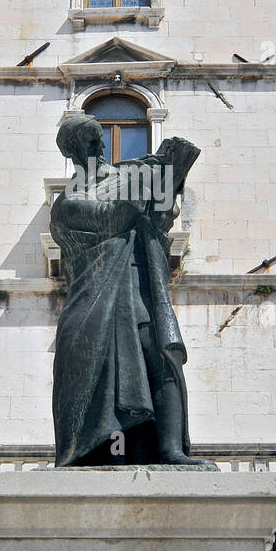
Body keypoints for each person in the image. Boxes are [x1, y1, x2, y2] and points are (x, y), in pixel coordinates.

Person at [49, 112, 208, 467]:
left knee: (161, 356)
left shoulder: (125, 177)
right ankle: (107, 450)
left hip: (140, 284)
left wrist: (169, 177)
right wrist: (151, 177)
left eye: (101, 137)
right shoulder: (67, 203)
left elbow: (161, 218)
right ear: (74, 151)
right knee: (109, 374)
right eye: (92, 140)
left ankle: (170, 451)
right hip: (96, 299)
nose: (101, 145)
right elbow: (113, 216)